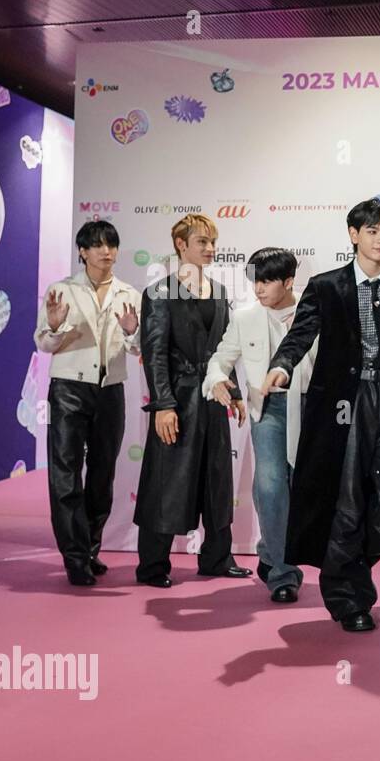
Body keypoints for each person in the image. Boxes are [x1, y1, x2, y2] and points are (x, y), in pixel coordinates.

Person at [262, 200, 380, 631]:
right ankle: (348, 597)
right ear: (354, 234)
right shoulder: (327, 285)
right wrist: (281, 365)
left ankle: (345, 563)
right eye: (373, 231)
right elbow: (300, 334)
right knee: (348, 502)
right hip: (344, 405)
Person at [134, 214, 253, 587]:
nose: (210, 248)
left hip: (213, 397)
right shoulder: (159, 293)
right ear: (181, 245)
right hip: (179, 398)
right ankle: (153, 566)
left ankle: (217, 558)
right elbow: (154, 354)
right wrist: (163, 405)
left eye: (212, 241)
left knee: (217, 479)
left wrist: (232, 391)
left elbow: (225, 349)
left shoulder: (218, 291)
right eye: (201, 241)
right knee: (167, 481)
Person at [203, 248, 317, 603]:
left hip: (310, 410)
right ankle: (283, 574)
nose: (258, 289)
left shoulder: (314, 313)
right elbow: (221, 358)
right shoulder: (244, 317)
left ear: (288, 281)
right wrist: (218, 379)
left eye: (267, 281)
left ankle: (269, 553)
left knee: (303, 488)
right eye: (255, 280)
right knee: (270, 487)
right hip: (266, 410)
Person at [35, 220, 141, 586]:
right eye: (97, 245)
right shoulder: (60, 290)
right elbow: (44, 345)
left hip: (110, 390)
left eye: (111, 244)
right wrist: (54, 325)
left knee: (102, 476)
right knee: (65, 475)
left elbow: (140, 348)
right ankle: (74, 557)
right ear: (82, 251)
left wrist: (132, 331)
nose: (106, 251)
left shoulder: (129, 292)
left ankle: (90, 547)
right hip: (68, 390)